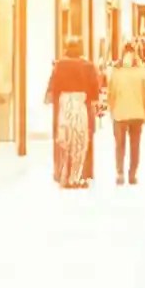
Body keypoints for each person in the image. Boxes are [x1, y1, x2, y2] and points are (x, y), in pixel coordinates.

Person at [46, 37, 100, 188]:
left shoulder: (59, 65)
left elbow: (52, 89)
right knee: (80, 142)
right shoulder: (88, 66)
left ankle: (62, 174)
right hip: (81, 106)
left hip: (63, 107)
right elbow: (94, 92)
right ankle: (79, 176)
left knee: (64, 142)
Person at [108, 43, 145, 185]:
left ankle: (120, 173)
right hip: (137, 114)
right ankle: (132, 175)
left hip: (119, 114)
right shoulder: (142, 71)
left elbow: (111, 93)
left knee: (119, 145)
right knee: (135, 145)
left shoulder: (116, 72)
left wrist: (111, 109)